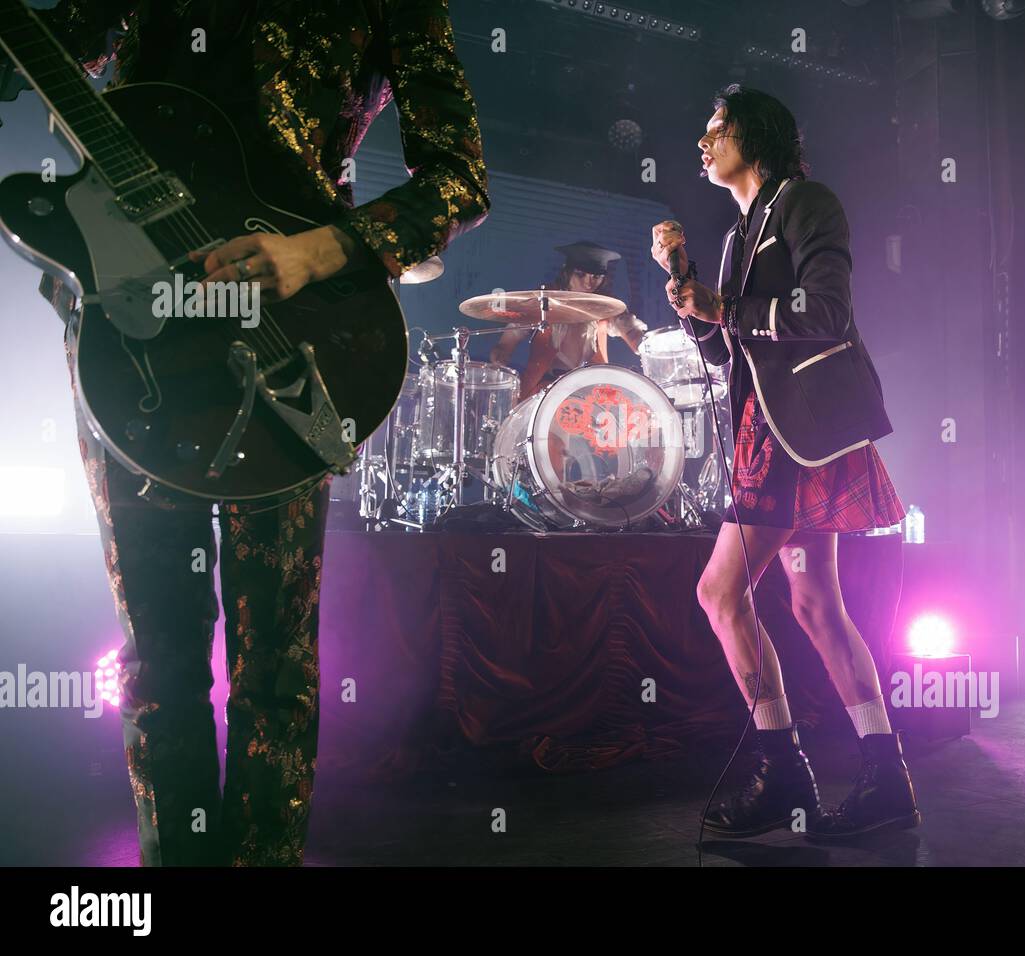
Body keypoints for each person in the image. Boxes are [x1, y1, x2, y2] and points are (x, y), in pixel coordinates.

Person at [5, 0, 490, 865]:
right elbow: (40, 48)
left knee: (274, 665)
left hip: (283, 327)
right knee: (156, 654)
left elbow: (458, 178)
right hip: (128, 312)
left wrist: (323, 248)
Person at [650, 84, 918, 841]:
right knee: (813, 605)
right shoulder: (740, 237)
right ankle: (885, 777)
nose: (702, 145)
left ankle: (782, 768)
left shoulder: (807, 203)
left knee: (719, 592)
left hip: (801, 434)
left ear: (754, 137)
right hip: (769, 432)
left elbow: (825, 313)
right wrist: (697, 310)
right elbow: (731, 348)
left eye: (715, 131)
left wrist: (724, 309)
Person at [490, 241, 648, 402]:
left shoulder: (606, 306)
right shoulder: (544, 301)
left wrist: (644, 344)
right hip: (545, 389)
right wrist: (501, 354)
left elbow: (630, 330)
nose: (589, 282)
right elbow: (508, 341)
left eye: (596, 277)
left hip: (592, 392)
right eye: (581, 274)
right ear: (568, 272)